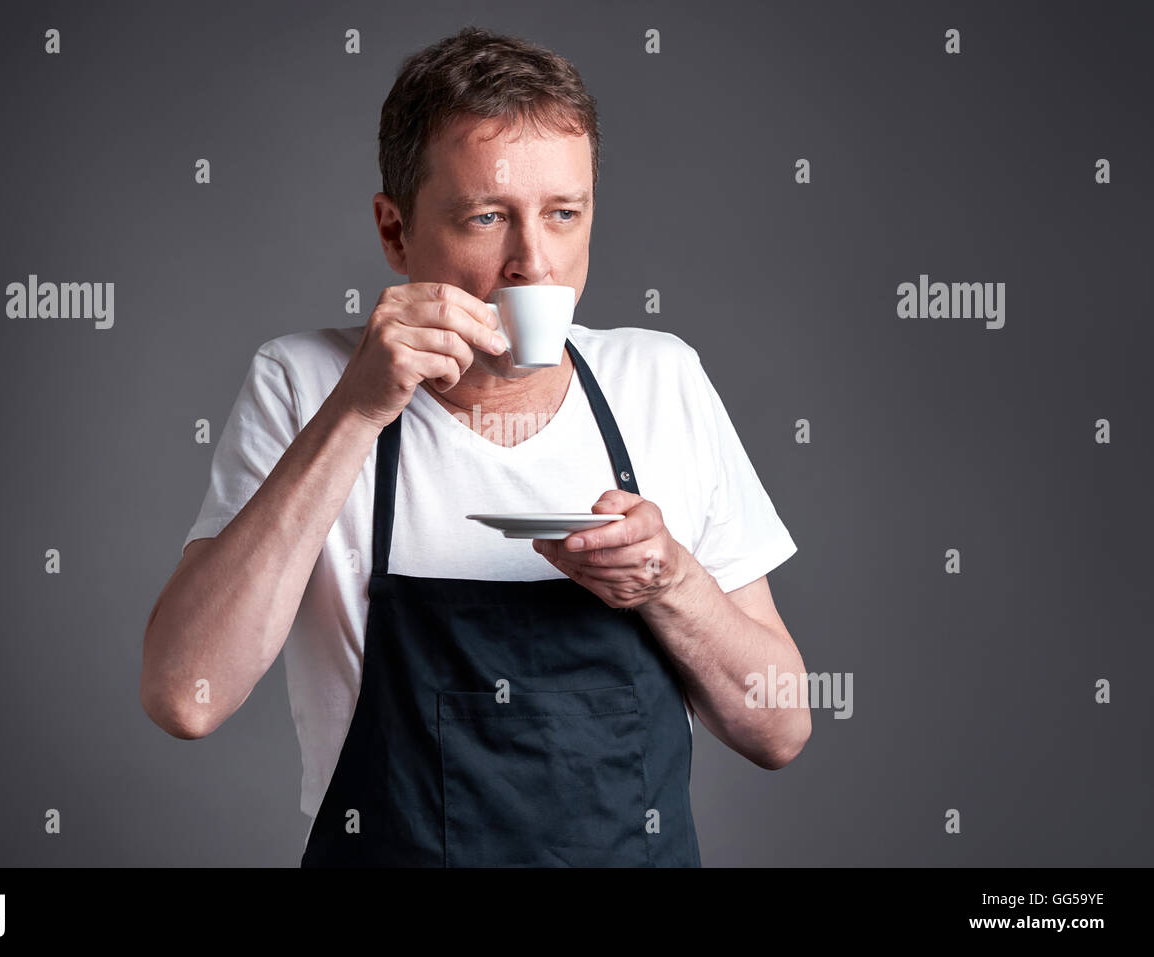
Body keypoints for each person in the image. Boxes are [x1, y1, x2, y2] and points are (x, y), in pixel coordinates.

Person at [141, 26, 810, 867]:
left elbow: (781, 726)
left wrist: (671, 582)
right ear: (395, 233)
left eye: (564, 215)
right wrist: (355, 412)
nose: (534, 263)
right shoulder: (305, 382)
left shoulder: (660, 380)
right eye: (488, 217)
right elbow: (183, 696)